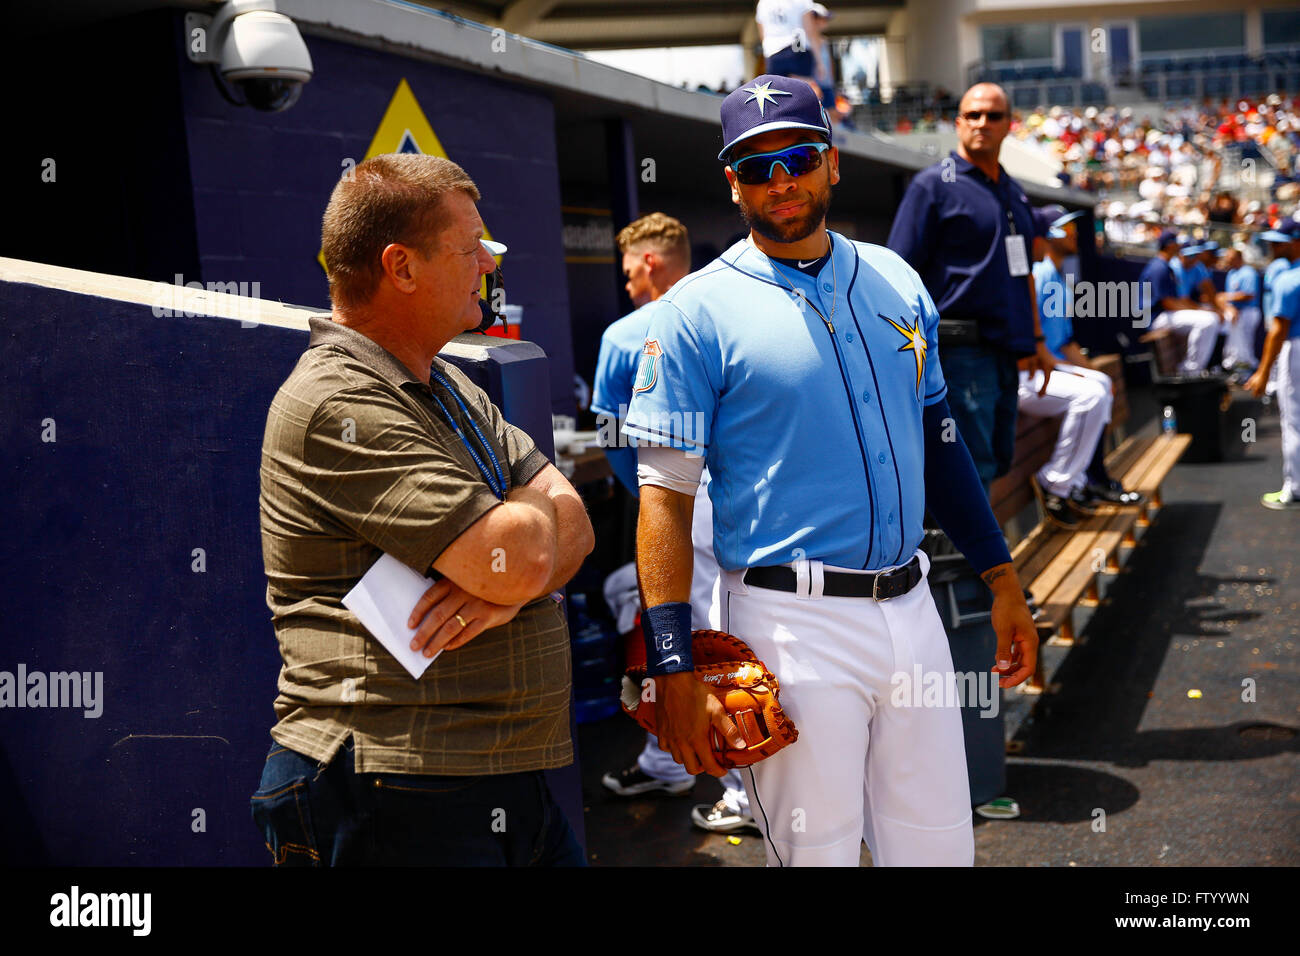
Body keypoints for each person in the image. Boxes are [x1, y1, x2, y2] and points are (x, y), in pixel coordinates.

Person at [623, 75, 1038, 867]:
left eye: (799, 156)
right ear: (732, 180)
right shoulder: (691, 313)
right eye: (756, 164)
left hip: (911, 603)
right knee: (820, 859)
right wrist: (673, 664)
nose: (781, 179)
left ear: (831, 163)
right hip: (790, 620)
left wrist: (1000, 574)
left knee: (941, 854)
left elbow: (940, 440)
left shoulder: (896, 279)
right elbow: (664, 503)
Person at [253, 154, 595, 866]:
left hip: (481, 786)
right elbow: (529, 550)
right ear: (401, 268)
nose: (488, 265)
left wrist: (509, 589)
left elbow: (576, 527)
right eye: (470, 249)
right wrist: (526, 542)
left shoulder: (447, 386)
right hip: (396, 790)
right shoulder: (338, 402)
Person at [591, 213, 756, 835]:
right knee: (699, 623)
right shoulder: (727, 309)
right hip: (740, 509)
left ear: (654, 262)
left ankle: (740, 786)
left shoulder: (627, 332)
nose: (629, 280)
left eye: (632, 268)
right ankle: (669, 757)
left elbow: (611, 433)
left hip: (681, 516)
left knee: (693, 636)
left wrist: (657, 504)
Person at [887, 82, 1059, 495]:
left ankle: (978, 557)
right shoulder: (933, 185)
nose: (982, 123)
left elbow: (1024, 271)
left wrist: (1036, 339)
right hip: (958, 350)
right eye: (973, 115)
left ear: (1008, 124)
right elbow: (896, 273)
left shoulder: (1012, 190)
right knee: (971, 467)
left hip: (1005, 349)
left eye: (993, 115)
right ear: (959, 122)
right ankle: (970, 561)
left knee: (997, 460)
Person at [1022, 209, 1140, 528]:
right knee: (1092, 392)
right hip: (1035, 371)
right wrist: (1079, 372)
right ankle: (1067, 482)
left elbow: (1067, 340)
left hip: (1054, 365)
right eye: (1065, 230)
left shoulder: (1056, 275)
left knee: (1100, 384)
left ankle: (1088, 478)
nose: (1073, 234)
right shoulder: (1042, 273)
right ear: (1049, 236)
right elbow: (1038, 343)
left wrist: (1089, 370)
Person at [1244, 260, 1300, 510]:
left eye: (1281, 244)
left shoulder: (1290, 279)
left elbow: (1279, 330)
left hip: (1297, 348)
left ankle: (1296, 489)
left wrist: (1264, 372)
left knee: (1294, 421)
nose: (1274, 249)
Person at [1140, 230, 1222, 374]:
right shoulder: (1159, 267)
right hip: (1155, 318)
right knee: (1207, 320)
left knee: (1209, 319)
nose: (1178, 245)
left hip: (1164, 315)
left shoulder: (1165, 265)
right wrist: (1201, 310)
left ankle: (1194, 368)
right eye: (1176, 242)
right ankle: (1190, 370)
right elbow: (1168, 303)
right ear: (1170, 245)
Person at [755, 0, 819, 96]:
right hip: (797, 45)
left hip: (773, 52)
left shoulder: (763, 3)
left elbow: (762, 33)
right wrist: (819, 60)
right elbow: (809, 28)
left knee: (778, 95)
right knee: (804, 92)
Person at [1219, 245, 1261, 376]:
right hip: (1235, 313)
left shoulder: (1248, 272)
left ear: (1239, 258)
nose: (1227, 261)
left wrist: (1226, 297)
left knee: (1245, 343)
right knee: (1236, 345)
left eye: (1230, 258)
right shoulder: (1231, 273)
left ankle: (1247, 372)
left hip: (1248, 312)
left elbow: (1249, 294)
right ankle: (1238, 369)